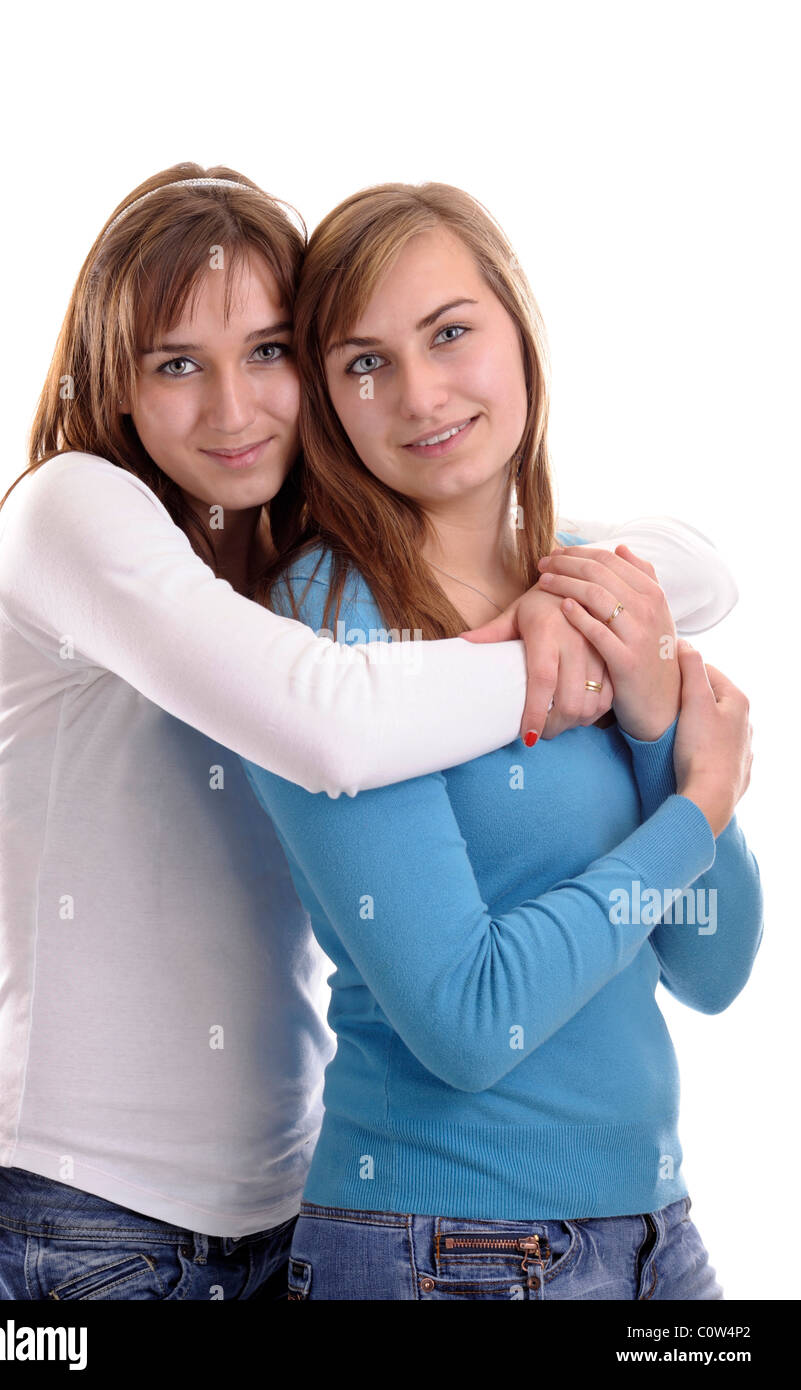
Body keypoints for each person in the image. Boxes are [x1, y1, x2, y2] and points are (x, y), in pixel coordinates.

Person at [0, 165, 739, 1302]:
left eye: (269, 350)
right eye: (177, 363)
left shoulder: (295, 552)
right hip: (92, 1218)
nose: (232, 407)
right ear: (111, 382)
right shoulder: (71, 513)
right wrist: (578, 664)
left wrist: (599, 601)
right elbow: (333, 724)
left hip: (283, 1203)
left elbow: (699, 566)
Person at [237, 181, 763, 1300]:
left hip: (652, 1238)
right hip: (442, 1248)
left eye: (449, 333)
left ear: (519, 330)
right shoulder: (327, 625)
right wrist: (696, 808)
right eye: (364, 361)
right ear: (327, 397)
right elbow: (471, 1020)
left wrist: (658, 722)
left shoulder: (593, 585)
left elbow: (713, 967)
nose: (419, 391)